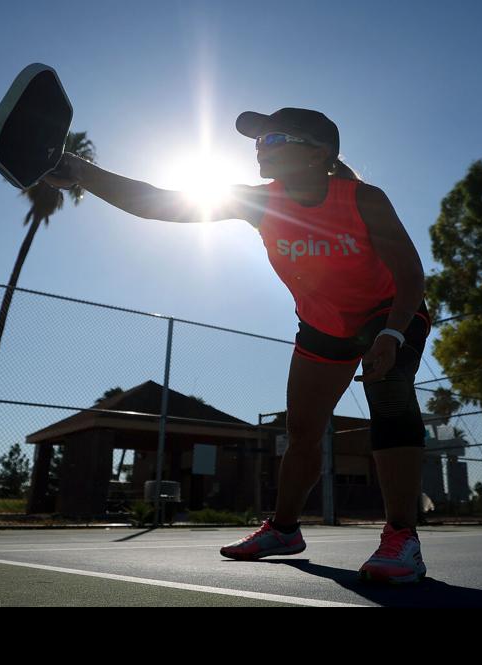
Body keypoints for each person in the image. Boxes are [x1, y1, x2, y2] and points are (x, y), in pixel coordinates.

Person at [44, 108, 430, 584]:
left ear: (319, 154)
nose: (261, 146)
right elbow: (155, 202)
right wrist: (82, 170)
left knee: (389, 392)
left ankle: (401, 537)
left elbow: (411, 274)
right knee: (304, 430)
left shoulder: (363, 199)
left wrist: (392, 333)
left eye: (275, 137)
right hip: (323, 324)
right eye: (259, 139)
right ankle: (285, 530)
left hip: (388, 311)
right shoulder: (258, 201)